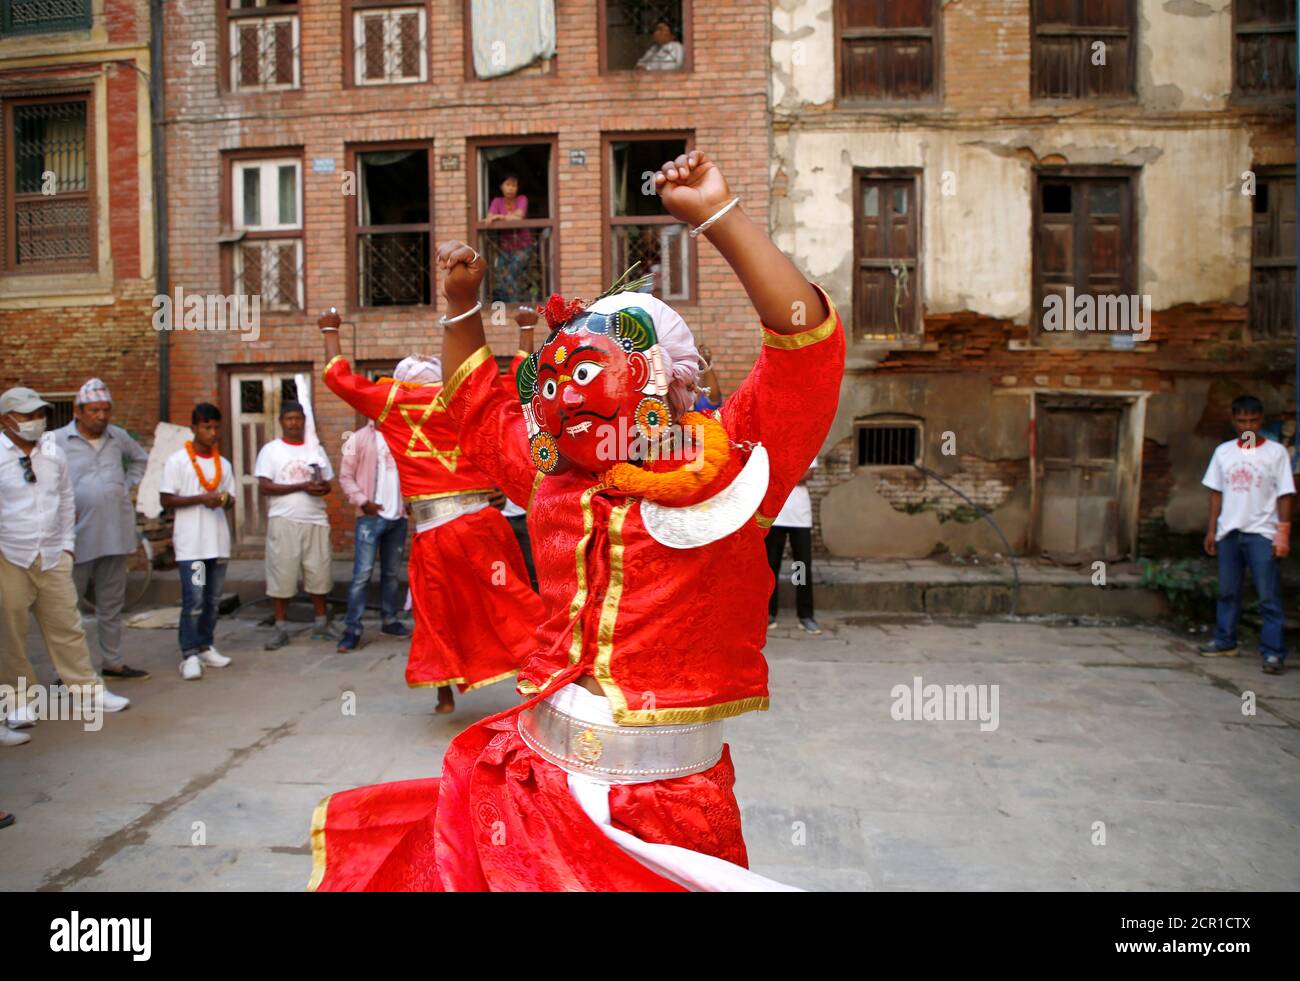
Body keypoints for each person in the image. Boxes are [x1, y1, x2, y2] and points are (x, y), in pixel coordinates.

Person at [308, 149, 845, 891]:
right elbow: (476, 405)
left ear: (669, 382)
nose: (571, 392)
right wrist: (463, 307)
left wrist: (720, 217)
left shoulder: (733, 465)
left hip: (666, 807)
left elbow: (805, 353)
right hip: (533, 782)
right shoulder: (554, 478)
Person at [319, 343, 545, 715]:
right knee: (510, 600)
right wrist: (522, 337)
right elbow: (512, 383)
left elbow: (336, 378)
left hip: (434, 531)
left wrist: (332, 332)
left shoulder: (391, 402)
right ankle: (545, 669)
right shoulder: (463, 398)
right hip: (481, 524)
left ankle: (445, 692)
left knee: (436, 611)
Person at [0, 386, 131, 739]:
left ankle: (88, 690)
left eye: (39, 414)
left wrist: (68, 545)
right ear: (6, 419)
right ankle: (17, 703)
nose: (36, 421)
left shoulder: (52, 453)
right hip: (10, 555)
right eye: (27, 416)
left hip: (53, 554)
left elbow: (66, 498)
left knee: (68, 627)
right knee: (10, 635)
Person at [57, 378, 151, 680]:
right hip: (76, 537)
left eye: (106, 410)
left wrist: (125, 485)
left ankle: (113, 662)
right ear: (78, 411)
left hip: (115, 533)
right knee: (68, 610)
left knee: (111, 605)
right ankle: (70, 672)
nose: (101, 416)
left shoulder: (117, 436)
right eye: (95, 410)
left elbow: (140, 459)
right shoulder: (57, 441)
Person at [1199, 395, 1294, 675]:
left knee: (1268, 596)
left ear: (1261, 421)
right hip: (1230, 531)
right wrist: (1212, 529)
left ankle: (1273, 652)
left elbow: (1285, 495)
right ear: (1234, 421)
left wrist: (1283, 533)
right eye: (1242, 421)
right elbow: (1216, 492)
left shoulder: (1275, 453)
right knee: (1228, 592)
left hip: (1262, 533)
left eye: (1253, 421)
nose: (1247, 426)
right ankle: (1226, 640)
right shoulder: (1224, 452)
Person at [159, 403, 236, 681]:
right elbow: (166, 499)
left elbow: (231, 499)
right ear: (193, 428)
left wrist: (223, 500)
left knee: (213, 600)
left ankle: (206, 645)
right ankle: (189, 652)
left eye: (216, 427)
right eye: (206, 427)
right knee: (195, 600)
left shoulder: (223, 464)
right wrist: (202, 499)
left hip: (217, 542)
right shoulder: (177, 461)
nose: (212, 433)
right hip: (192, 546)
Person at [255, 402, 337, 650]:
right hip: (284, 521)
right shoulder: (271, 451)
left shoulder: (316, 450)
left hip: (315, 520)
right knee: (282, 574)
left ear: (305, 421)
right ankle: (280, 628)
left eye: (298, 418)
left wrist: (320, 488)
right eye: (289, 418)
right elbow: (265, 487)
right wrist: (301, 486)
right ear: (281, 421)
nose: (294, 423)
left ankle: (321, 624)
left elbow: (328, 484)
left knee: (319, 573)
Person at [336, 419, 411, 652]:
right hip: (370, 517)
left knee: (391, 573)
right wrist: (363, 502)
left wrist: (409, 500)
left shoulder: (404, 435)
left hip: (397, 517)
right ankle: (352, 629)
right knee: (362, 574)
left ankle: (389, 621)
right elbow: (345, 477)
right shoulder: (356, 438)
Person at [500, 305, 540, 589]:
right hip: (501, 518)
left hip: (534, 514)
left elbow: (520, 371)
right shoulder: (497, 418)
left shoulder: (549, 422)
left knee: (538, 580)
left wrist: (527, 330)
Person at [767, 458, 820, 634]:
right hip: (775, 515)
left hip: (800, 517)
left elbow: (808, 474)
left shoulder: (808, 443)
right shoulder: (777, 443)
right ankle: (768, 614)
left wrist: (780, 475)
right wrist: (792, 473)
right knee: (771, 566)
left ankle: (805, 616)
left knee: (801, 567)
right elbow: (766, 472)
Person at [485, 175, 535, 303]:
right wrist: (499, 217)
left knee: (512, 272)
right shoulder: (497, 201)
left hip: (524, 245)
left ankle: (515, 304)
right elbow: (489, 217)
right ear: (501, 186)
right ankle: (511, 304)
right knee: (501, 276)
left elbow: (519, 217)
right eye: (508, 185)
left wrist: (500, 217)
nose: (511, 189)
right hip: (505, 247)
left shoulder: (522, 199)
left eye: (514, 185)